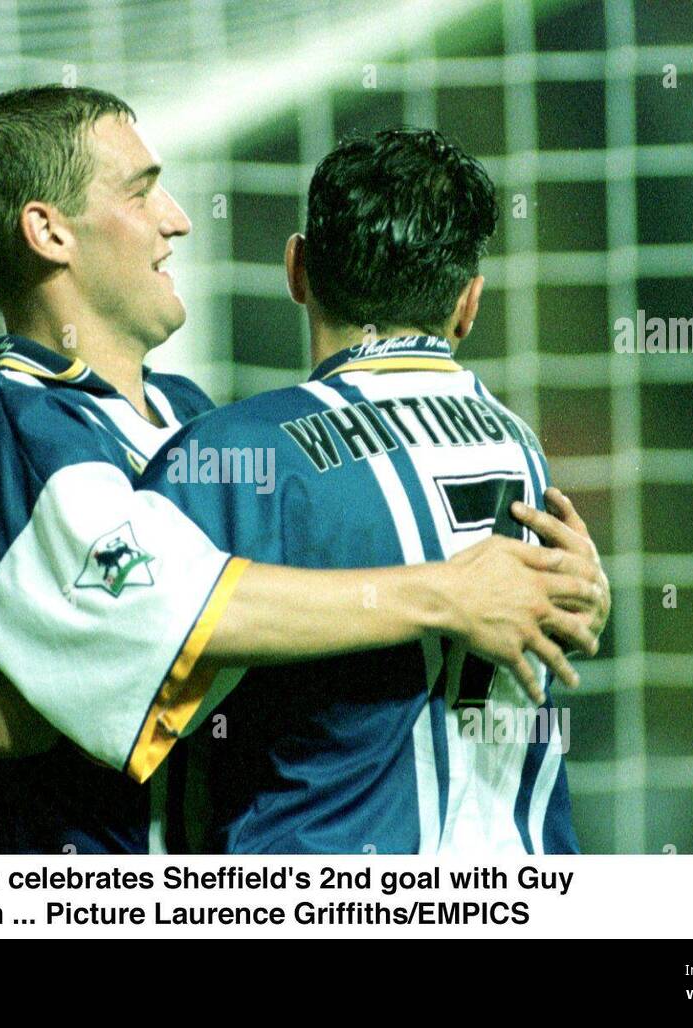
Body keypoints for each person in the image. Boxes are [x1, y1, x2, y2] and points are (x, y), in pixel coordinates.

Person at [0, 85, 609, 853]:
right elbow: (83, 673)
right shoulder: (16, 425)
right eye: (142, 191)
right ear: (49, 232)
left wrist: (560, 590)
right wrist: (448, 595)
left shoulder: (192, 415)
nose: (177, 218)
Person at [137, 129, 582, 852]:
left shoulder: (241, 454)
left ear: (297, 269)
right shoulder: (519, 447)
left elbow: (104, 659)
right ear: (469, 303)